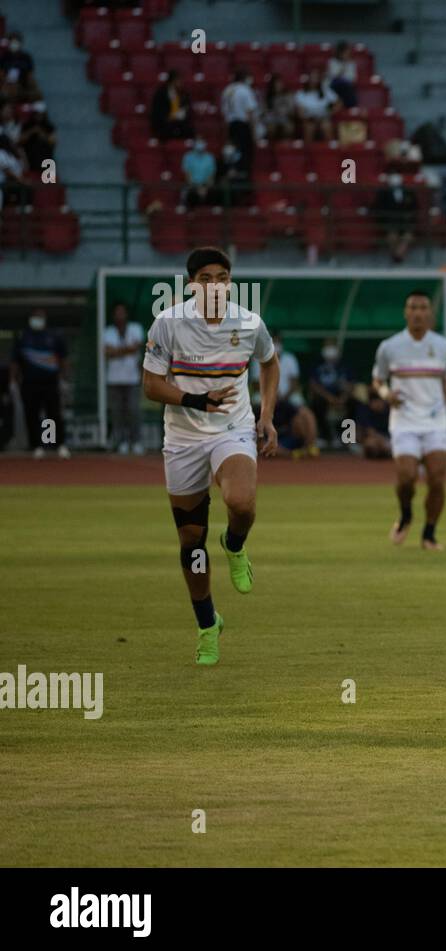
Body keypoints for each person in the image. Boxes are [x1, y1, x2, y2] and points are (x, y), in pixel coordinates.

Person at [140, 247, 280, 665]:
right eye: (206, 277)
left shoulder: (249, 322)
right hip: (182, 438)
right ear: (190, 284)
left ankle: (235, 544)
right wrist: (197, 400)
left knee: (241, 501)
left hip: (232, 429)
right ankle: (207, 625)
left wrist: (267, 416)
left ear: (230, 282)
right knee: (190, 540)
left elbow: (270, 364)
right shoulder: (168, 323)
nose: (215, 284)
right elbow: (150, 385)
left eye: (222, 277)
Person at [372, 290, 446, 550]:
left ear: (430, 313)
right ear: (405, 312)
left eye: (423, 307)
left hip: (435, 421)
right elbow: (378, 380)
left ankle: (429, 533)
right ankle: (406, 514)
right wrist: (387, 394)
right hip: (404, 420)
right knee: (406, 477)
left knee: (436, 478)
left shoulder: (445, 347)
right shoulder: (390, 347)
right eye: (413, 307)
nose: (418, 313)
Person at [11, 309, 68, 458]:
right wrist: (13, 381)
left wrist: (63, 378)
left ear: (45, 319)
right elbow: (15, 361)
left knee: (53, 414)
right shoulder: (23, 337)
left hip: (50, 382)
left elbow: (63, 359)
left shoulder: (53, 336)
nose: (37, 319)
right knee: (32, 414)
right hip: (30, 382)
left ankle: (57, 444)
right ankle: (36, 445)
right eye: (35, 317)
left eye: (40, 317)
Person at [104, 301, 145, 454]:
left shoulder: (136, 328)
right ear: (114, 315)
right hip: (114, 379)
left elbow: (137, 347)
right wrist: (127, 350)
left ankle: (136, 441)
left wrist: (117, 351)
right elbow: (108, 352)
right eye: (117, 312)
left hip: (132, 378)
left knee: (134, 411)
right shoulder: (108, 331)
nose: (120, 315)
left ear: (126, 314)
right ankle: (121, 441)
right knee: (117, 413)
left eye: (122, 312)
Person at [308, 339, 352, 447]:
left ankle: (348, 438)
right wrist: (329, 398)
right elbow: (313, 385)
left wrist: (343, 398)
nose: (330, 350)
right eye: (328, 347)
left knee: (353, 404)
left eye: (332, 346)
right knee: (317, 404)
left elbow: (351, 384)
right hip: (324, 398)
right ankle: (323, 437)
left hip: (341, 397)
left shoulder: (344, 365)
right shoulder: (317, 365)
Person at [373, 173, 417, 263]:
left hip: (405, 222)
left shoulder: (408, 192)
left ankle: (398, 256)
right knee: (392, 236)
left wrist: (409, 217)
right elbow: (377, 207)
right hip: (390, 221)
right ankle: (397, 256)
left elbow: (414, 207)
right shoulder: (383, 193)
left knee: (407, 236)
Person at [220, 71, 258, 174]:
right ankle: (243, 179)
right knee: (244, 154)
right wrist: (254, 131)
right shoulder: (245, 90)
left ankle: (233, 174)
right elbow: (250, 111)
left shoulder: (227, 90)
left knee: (233, 153)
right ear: (244, 78)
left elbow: (224, 112)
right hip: (243, 126)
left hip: (231, 126)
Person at [294, 69, 339, 142]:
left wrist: (331, 111)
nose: (314, 81)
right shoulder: (301, 93)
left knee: (326, 126)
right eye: (312, 78)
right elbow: (299, 111)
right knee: (309, 127)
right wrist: (304, 117)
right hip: (309, 119)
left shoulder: (326, 91)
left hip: (323, 117)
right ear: (308, 80)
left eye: (316, 78)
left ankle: (331, 150)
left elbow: (338, 102)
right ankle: (308, 151)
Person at [150, 72, 193, 141]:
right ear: (173, 81)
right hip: (165, 124)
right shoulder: (161, 93)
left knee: (189, 131)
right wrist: (171, 117)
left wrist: (182, 113)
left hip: (180, 124)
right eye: (179, 80)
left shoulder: (183, 93)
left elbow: (187, 108)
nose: (181, 83)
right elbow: (157, 112)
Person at [181, 138, 216, 208]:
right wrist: (197, 188)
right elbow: (188, 175)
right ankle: (190, 213)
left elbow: (211, 176)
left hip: (206, 186)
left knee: (213, 192)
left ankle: (211, 212)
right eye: (198, 143)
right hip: (192, 185)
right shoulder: (188, 157)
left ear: (205, 144)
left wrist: (205, 187)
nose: (200, 145)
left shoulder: (210, 157)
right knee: (190, 194)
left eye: (202, 143)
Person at [326, 41, 359, 109]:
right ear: (340, 52)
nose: (347, 54)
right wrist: (344, 65)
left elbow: (352, 78)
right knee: (341, 86)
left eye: (348, 52)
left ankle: (349, 108)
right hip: (334, 85)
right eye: (345, 52)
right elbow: (334, 76)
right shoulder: (332, 62)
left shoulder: (351, 64)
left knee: (347, 87)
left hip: (346, 86)